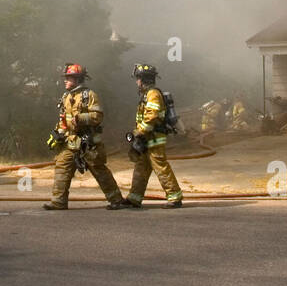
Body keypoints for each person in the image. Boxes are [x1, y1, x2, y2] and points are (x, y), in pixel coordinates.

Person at [44, 63, 127, 210]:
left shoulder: (89, 95)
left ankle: (116, 200)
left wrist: (81, 118)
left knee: (99, 171)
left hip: (88, 143)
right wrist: (57, 133)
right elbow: (63, 119)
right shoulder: (66, 97)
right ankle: (58, 202)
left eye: (68, 78)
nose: (65, 81)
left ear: (77, 79)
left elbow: (98, 116)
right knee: (62, 168)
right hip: (69, 142)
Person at [124, 64, 183, 208]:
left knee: (160, 167)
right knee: (141, 168)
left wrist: (138, 133)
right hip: (146, 138)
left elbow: (151, 116)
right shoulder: (147, 94)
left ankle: (175, 197)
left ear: (143, 79)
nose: (137, 82)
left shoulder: (153, 94)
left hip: (154, 138)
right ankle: (134, 198)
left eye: (138, 79)